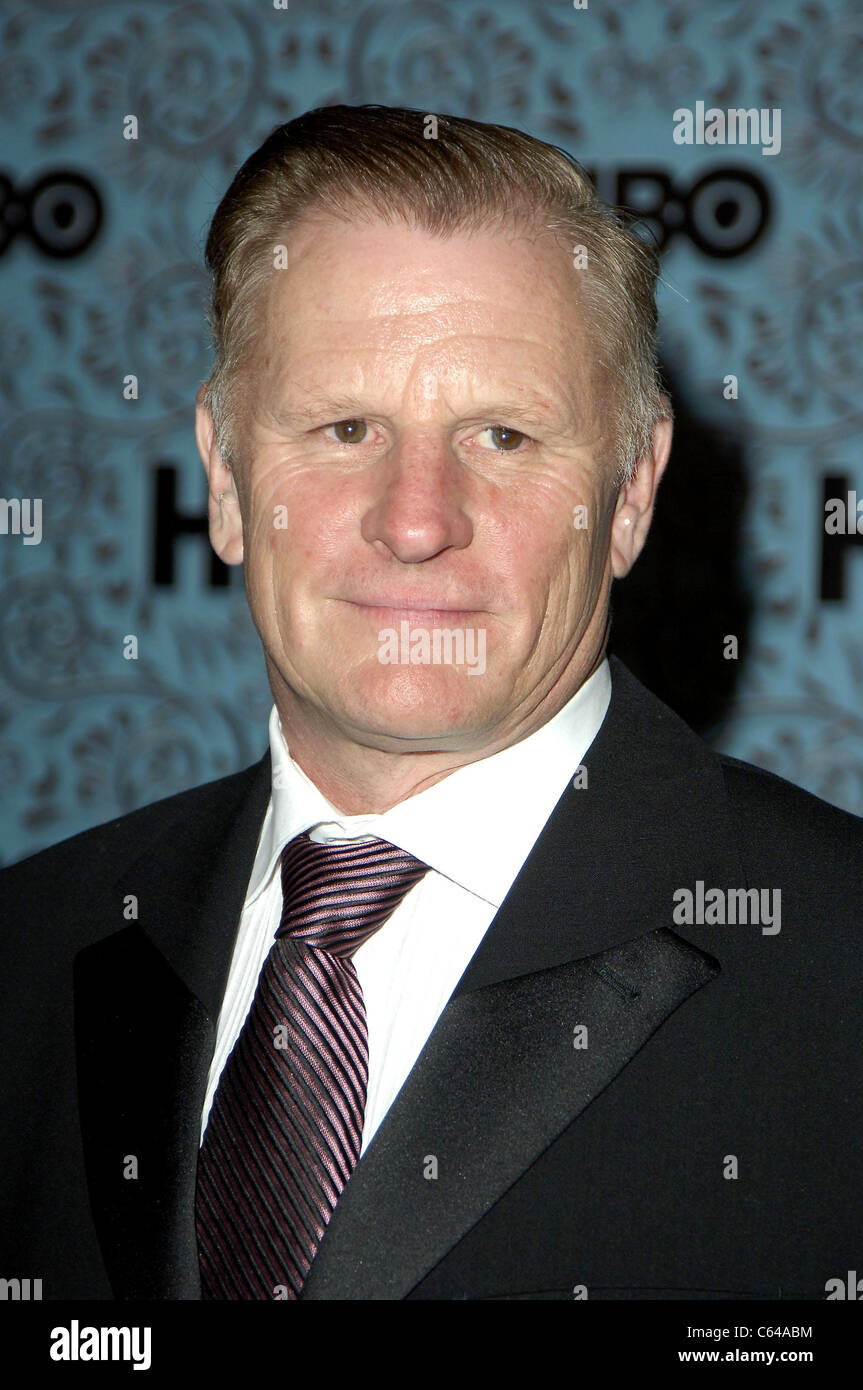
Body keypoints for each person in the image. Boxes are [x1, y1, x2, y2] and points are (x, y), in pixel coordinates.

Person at [1, 104, 861, 1302]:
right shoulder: (27, 951)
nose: (414, 519)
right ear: (224, 474)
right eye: (343, 427)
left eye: (502, 436)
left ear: (629, 494)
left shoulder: (837, 969)